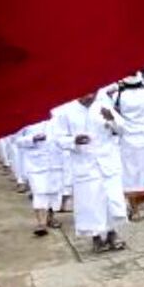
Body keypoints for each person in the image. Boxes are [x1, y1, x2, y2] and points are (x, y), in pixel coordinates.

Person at [54, 91, 129, 252]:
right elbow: (58, 139)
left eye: (93, 93)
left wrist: (112, 118)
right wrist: (73, 140)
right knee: (91, 203)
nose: (90, 97)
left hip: (107, 161)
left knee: (111, 200)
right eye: (86, 93)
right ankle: (96, 237)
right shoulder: (65, 111)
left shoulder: (103, 106)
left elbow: (123, 129)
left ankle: (112, 234)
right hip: (85, 164)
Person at [115, 73, 144, 220]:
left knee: (131, 173)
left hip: (130, 138)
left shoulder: (118, 95)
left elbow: (115, 117)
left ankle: (135, 211)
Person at [15, 117, 63, 236]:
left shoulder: (59, 115)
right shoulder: (28, 117)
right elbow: (17, 140)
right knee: (39, 192)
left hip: (56, 160)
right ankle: (41, 223)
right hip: (35, 163)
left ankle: (51, 216)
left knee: (53, 191)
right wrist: (33, 138)